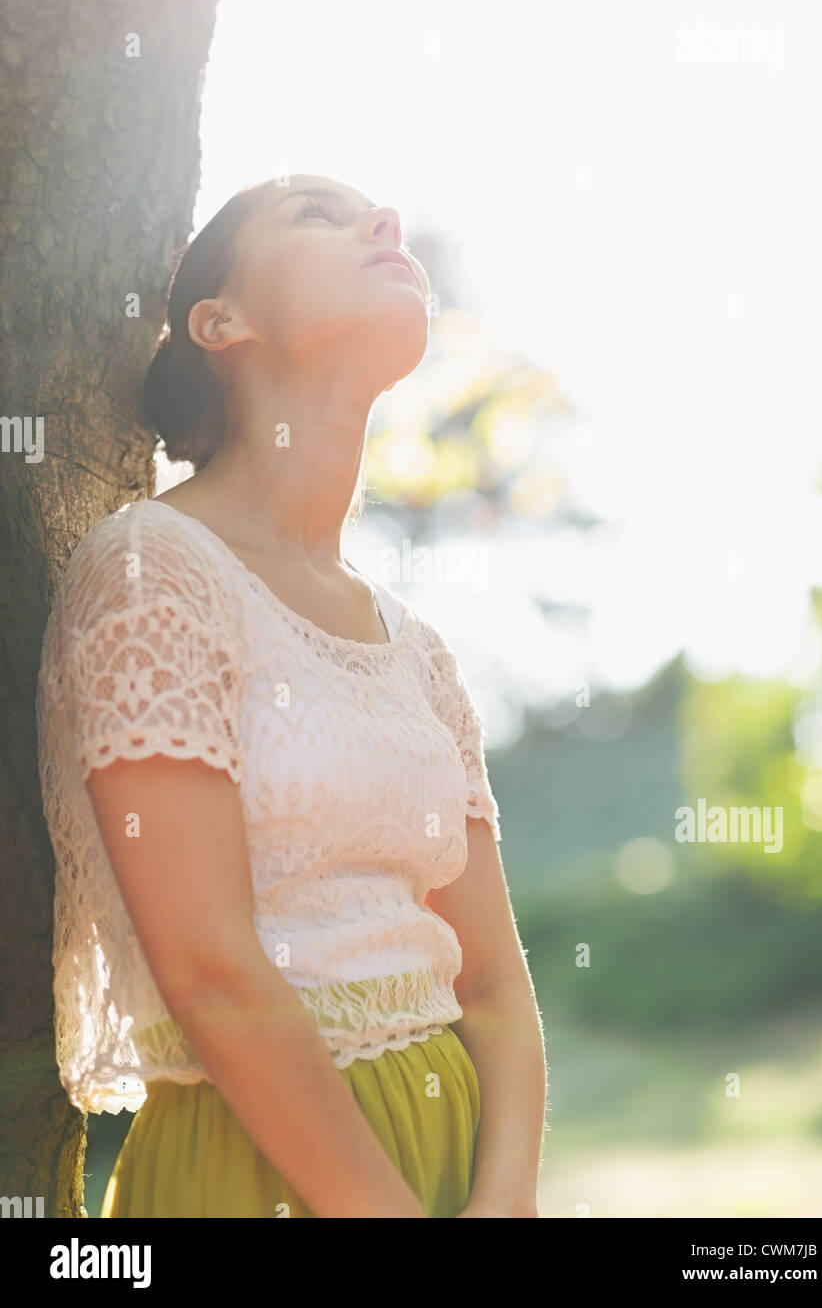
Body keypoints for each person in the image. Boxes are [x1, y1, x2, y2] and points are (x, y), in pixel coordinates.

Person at [36, 173, 547, 1218]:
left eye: (378, 212)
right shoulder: (153, 571)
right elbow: (213, 971)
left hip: (461, 1162)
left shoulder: (421, 655)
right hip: (257, 1171)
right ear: (218, 321)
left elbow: (496, 993)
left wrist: (505, 1205)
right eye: (316, 212)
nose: (382, 222)